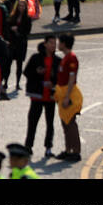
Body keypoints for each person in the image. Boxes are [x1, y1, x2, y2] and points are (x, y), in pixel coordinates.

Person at [23, 36, 59, 158]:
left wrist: (53, 83)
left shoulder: (58, 60)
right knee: (32, 122)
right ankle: (28, 146)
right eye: (51, 43)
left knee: (50, 123)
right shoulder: (36, 58)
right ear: (45, 44)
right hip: (37, 95)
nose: (53, 45)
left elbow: (60, 78)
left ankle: (48, 147)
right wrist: (37, 73)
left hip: (51, 96)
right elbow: (26, 72)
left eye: (55, 43)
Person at [55, 32, 83, 161]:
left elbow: (72, 78)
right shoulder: (66, 57)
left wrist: (67, 97)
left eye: (59, 41)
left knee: (71, 123)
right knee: (65, 123)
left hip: (69, 94)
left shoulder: (71, 58)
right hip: (63, 93)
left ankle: (76, 152)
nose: (57, 44)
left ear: (64, 43)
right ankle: (68, 150)